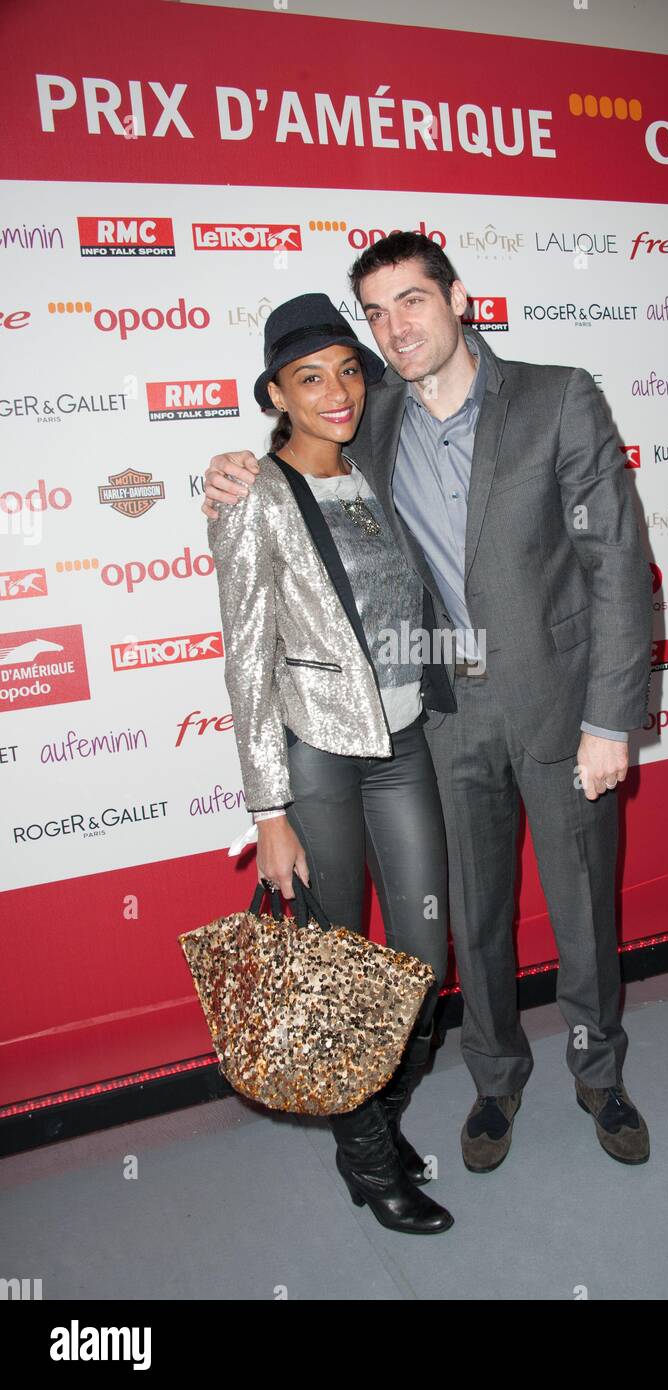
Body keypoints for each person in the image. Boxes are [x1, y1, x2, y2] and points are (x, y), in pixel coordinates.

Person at [203, 233, 654, 1177]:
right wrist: (227, 473)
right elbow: (294, 465)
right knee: (474, 918)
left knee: (580, 906)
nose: (394, 328)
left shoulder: (556, 394)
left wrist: (610, 721)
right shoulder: (372, 417)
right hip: (442, 712)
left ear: (457, 298)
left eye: (411, 300)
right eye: (376, 311)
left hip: (562, 705)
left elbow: (617, 564)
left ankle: (597, 1071)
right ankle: (495, 1079)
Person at [207, 292, 454, 1234]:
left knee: (423, 956)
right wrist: (269, 811)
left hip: (401, 742)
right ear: (276, 393)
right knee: (340, 970)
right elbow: (244, 657)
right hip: (318, 759)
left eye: (349, 369)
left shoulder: (379, 470)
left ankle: (372, 1112)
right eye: (310, 378)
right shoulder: (254, 495)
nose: (338, 391)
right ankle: (367, 1158)